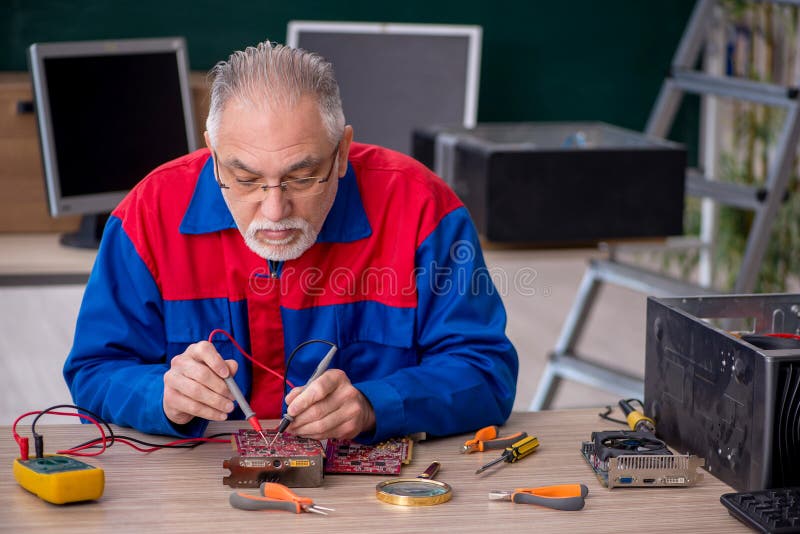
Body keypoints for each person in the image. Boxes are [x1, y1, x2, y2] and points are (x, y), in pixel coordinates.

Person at [63, 40, 518, 443]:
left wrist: (373, 404)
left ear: (341, 153)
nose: (275, 212)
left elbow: (485, 371)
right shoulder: (149, 215)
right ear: (214, 155)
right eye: (244, 178)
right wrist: (161, 395)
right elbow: (94, 370)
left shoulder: (421, 208)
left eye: (302, 177)